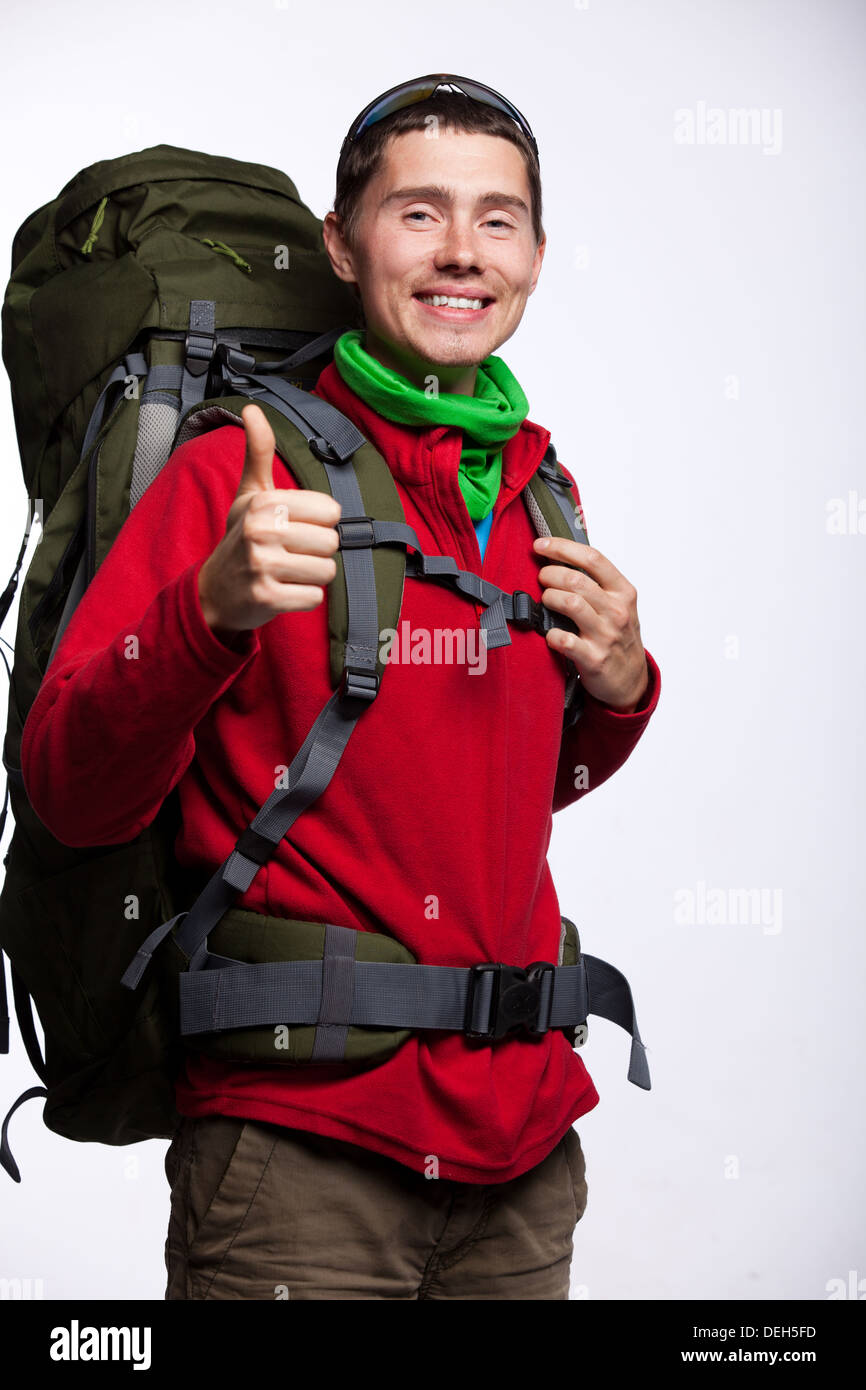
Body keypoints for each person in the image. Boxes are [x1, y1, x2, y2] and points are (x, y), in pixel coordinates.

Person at [21, 75, 661, 1300]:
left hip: (524, 1160)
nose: (462, 252)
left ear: (535, 252)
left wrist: (622, 689)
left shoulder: (537, 488)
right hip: (299, 1160)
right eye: (417, 213)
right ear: (340, 241)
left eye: (497, 218)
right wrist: (205, 616)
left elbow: (477, 797)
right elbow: (70, 792)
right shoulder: (234, 469)